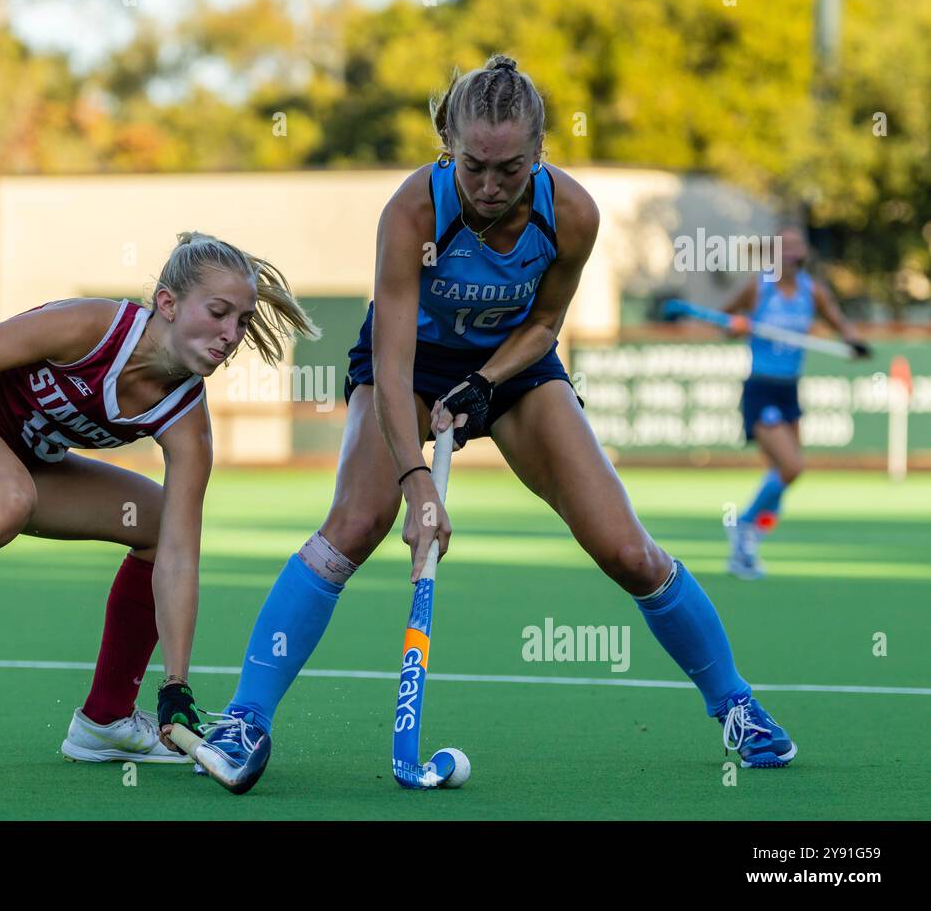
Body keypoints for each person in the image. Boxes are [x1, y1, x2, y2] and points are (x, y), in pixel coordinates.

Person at [201, 55, 798, 788]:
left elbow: (545, 323)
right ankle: (243, 718)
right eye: (472, 166)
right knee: (355, 522)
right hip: (409, 368)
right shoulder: (414, 211)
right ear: (447, 144)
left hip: (515, 370)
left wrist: (486, 382)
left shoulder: (570, 214)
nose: (487, 187)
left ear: (539, 154)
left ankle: (735, 703)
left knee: (629, 549)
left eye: (509, 170)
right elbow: (389, 367)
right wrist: (420, 485)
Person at [0, 232, 319, 763]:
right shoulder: (92, 328)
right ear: (167, 302)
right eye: (218, 313)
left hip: (24, 461)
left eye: (241, 321)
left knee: (159, 523)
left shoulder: (188, 419)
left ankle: (108, 719)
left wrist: (176, 684)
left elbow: (180, 556)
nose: (231, 334)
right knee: (7, 494)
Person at [721, 226, 870, 578]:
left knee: (784, 475)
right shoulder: (759, 287)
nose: (790, 251)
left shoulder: (812, 291)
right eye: (783, 246)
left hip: (790, 390)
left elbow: (839, 322)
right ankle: (743, 525)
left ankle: (746, 545)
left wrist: (853, 341)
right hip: (761, 388)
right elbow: (725, 321)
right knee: (792, 467)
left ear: (803, 252)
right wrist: (737, 326)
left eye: (796, 245)